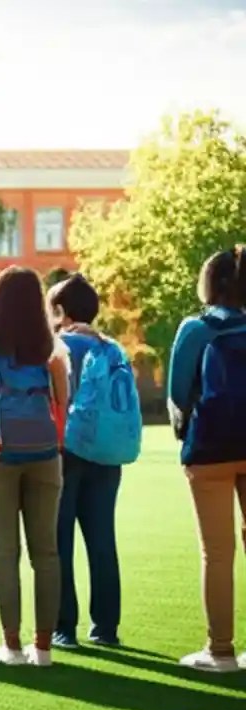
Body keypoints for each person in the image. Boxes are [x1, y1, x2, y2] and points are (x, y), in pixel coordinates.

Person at [0, 266, 69, 667]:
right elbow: (64, 404)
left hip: (0, 458)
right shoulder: (53, 349)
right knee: (47, 553)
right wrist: (55, 450)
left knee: (4, 551)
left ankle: (11, 647)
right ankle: (43, 648)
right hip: (45, 457)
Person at [167, 248, 246, 673]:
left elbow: (179, 395)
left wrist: (185, 434)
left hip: (210, 450)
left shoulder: (196, 328)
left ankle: (220, 651)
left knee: (217, 553)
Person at [46, 273, 133, 648]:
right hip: (106, 451)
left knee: (59, 539)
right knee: (101, 539)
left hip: (65, 453)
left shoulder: (57, 346)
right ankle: (106, 627)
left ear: (61, 311)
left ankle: (65, 627)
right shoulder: (112, 348)